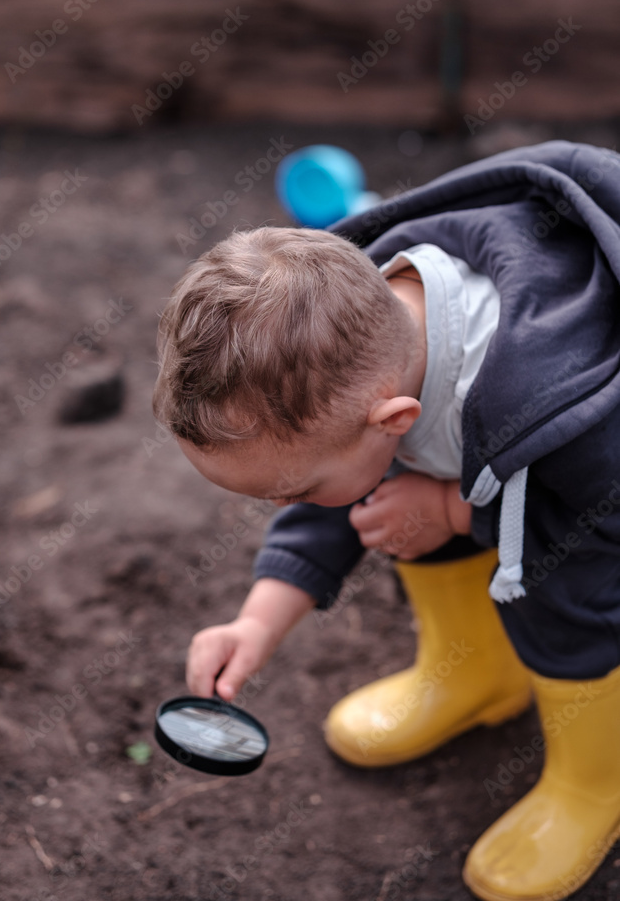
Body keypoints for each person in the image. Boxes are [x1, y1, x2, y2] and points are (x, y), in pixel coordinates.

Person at [152, 141, 620, 901]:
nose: (285, 507)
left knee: (566, 595)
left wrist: (451, 508)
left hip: (594, 497)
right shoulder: (361, 345)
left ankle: (594, 780)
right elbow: (331, 493)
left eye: (293, 490)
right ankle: (475, 674)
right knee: (377, 499)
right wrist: (256, 624)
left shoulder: (559, 406)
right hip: (469, 453)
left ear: (394, 418)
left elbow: (602, 526)